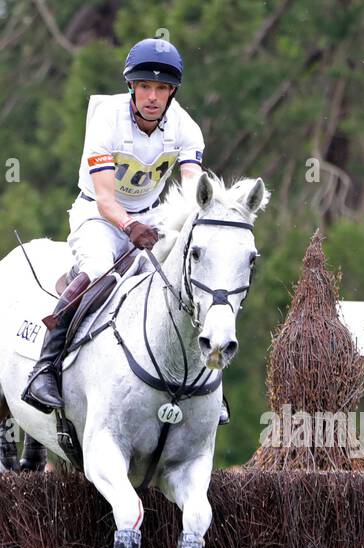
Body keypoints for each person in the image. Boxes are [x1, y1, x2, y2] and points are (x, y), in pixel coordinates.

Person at [22, 37, 213, 417]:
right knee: (96, 269)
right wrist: (130, 228)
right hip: (98, 213)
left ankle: (205, 378)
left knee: (184, 276)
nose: (152, 96)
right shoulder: (107, 118)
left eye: (161, 88)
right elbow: (107, 200)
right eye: (145, 86)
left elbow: (194, 191)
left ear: (172, 91)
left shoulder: (187, 129)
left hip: (152, 214)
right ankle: (45, 366)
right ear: (131, 86)